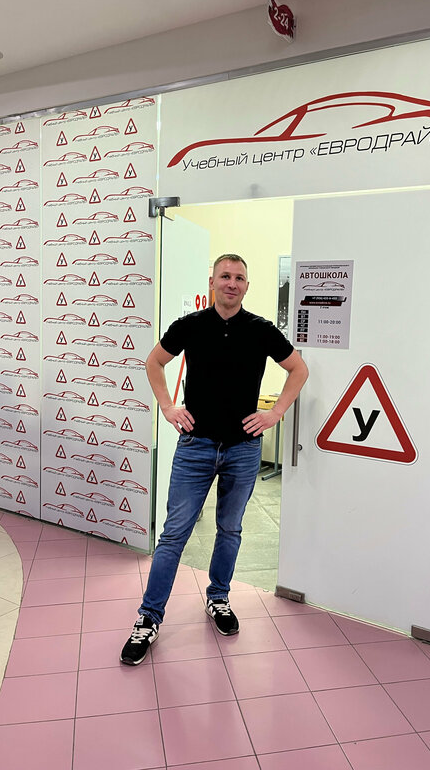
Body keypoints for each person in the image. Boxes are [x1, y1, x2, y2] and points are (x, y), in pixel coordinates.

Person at [120, 253, 308, 665]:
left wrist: (275, 413)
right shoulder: (190, 325)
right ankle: (148, 618)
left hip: (243, 449)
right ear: (212, 282)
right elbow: (154, 362)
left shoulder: (261, 329)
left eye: (239, 277)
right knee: (173, 535)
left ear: (246, 286)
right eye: (225, 276)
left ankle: (218, 597)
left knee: (230, 530)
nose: (232, 283)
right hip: (196, 447)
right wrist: (167, 407)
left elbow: (298, 369)